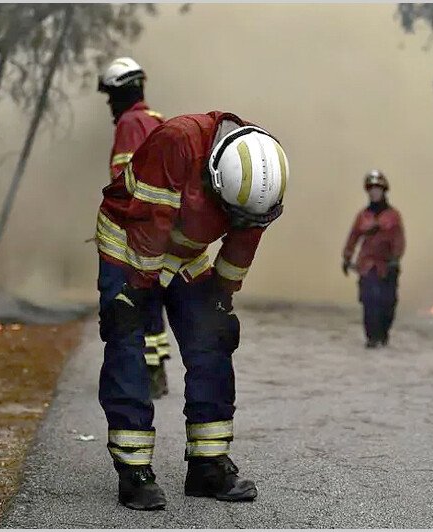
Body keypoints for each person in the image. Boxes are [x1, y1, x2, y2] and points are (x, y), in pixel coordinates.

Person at [95, 110, 289, 510]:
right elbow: (150, 226)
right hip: (129, 246)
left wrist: (222, 299)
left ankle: (208, 466)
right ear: (214, 177)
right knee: (128, 340)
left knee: (213, 342)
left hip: (185, 251)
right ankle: (133, 472)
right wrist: (137, 296)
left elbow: (241, 244)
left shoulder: (256, 182)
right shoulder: (177, 141)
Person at [97, 57, 171, 399]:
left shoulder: (129, 122)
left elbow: (123, 180)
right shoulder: (159, 121)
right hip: (162, 230)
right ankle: (156, 371)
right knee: (152, 298)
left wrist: (117, 225)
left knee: (125, 303)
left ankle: (131, 375)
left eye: (111, 96)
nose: (110, 105)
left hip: (135, 232)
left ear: (121, 94)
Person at [342, 170, 405, 348]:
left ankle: (383, 335)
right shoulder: (363, 217)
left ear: (384, 191)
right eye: (371, 189)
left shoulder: (393, 216)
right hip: (367, 266)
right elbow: (353, 237)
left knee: (388, 305)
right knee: (369, 303)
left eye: (377, 189)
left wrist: (395, 259)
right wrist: (347, 258)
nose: (374, 192)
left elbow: (399, 239)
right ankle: (372, 338)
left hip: (387, 267)